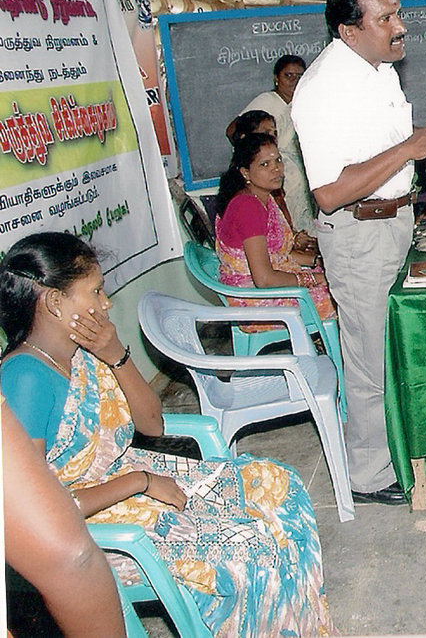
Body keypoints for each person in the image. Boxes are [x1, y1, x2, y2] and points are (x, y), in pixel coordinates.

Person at [0, 232, 335, 636]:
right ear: (55, 302)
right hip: (99, 525)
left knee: (281, 487)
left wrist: (117, 355)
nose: (106, 303)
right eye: (95, 290)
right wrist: (139, 482)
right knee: (252, 547)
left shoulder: (85, 351)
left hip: (132, 478)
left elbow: (152, 425)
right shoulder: (24, 381)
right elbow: (44, 518)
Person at [290, 0, 426, 504]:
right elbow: (330, 192)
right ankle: (369, 476)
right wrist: (411, 149)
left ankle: (402, 447)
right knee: (368, 358)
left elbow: (384, 144)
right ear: (349, 28)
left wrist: (423, 139)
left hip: (396, 221)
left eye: (398, 12)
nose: (399, 25)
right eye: (386, 17)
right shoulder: (319, 90)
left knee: (396, 347)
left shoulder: (381, 70)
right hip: (359, 231)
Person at [3, 395, 126, 638]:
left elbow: (153, 425)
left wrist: (118, 360)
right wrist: (138, 482)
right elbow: (70, 557)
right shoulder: (27, 377)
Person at [213, 132, 336, 324]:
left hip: (267, 287)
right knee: (344, 295)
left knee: (340, 277)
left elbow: (276, 254)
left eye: (278, 160)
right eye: (265, 164)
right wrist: (315, 279)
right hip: (254, 301)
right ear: (245, 172)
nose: (276, 169)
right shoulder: (248, 207)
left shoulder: (263, 198)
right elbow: (264, 279)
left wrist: (317, 261)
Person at [240, 54, 316, 234]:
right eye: (288, 75)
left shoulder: (302, 102)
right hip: (274, 167)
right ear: (276, 78)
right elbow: (235, 130)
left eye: (299, 76)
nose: (294, 81)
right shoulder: (267, 101)